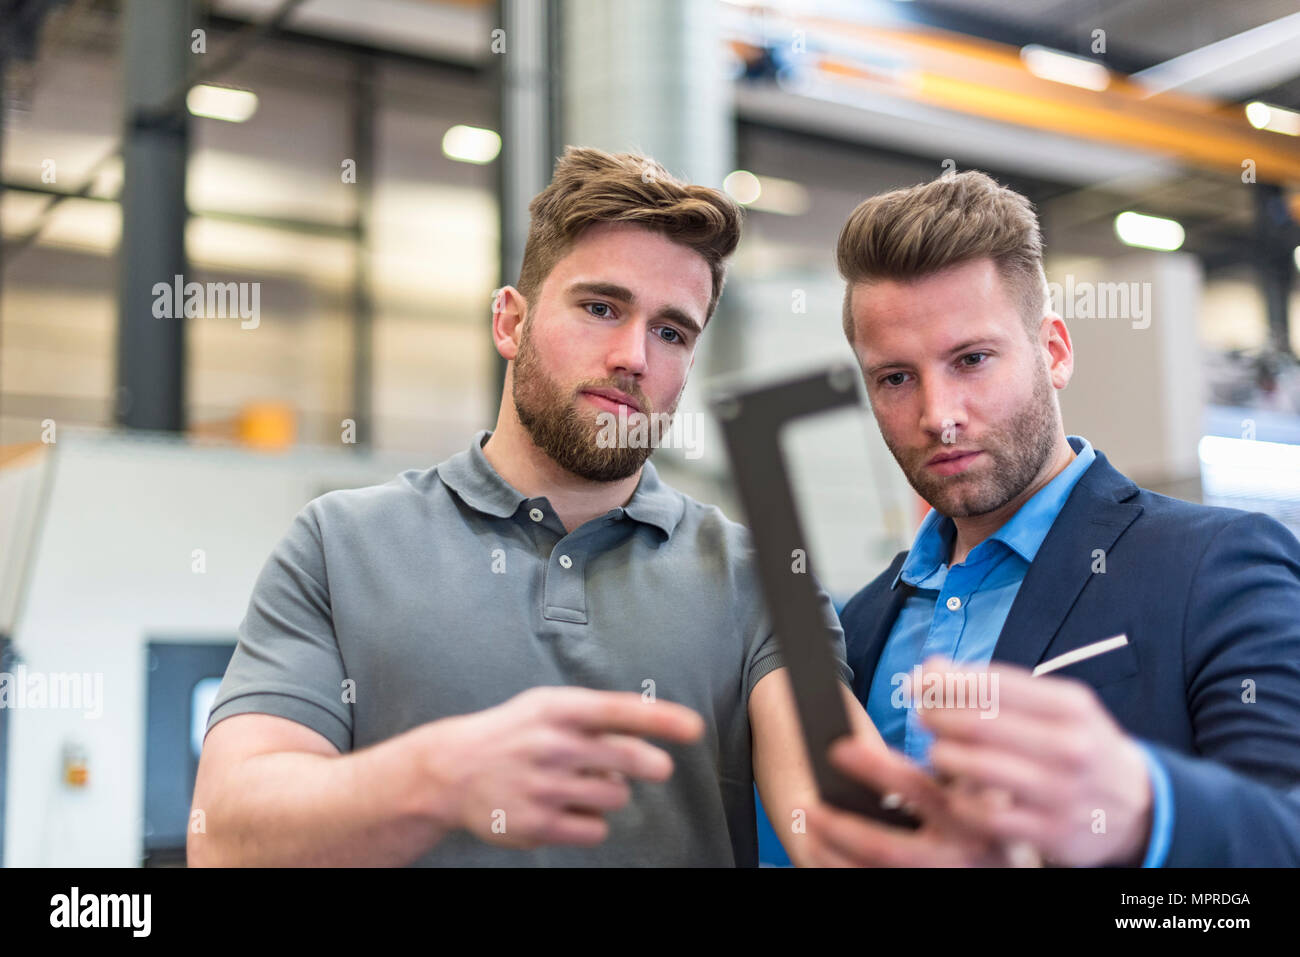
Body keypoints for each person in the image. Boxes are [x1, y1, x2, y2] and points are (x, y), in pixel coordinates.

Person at [189, 146, 869, 867]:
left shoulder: (758, 579)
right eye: (601, 306)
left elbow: (843, 819)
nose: (634, 355)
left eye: (671, 332)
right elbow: (226, 838)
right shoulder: (341, 544)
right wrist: (433, 779)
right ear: (510, 323)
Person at [803, 170, 1300, 867]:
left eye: (972, 359)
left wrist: (1149, 812)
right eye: (895, 378)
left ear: (1055, 351)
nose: (938, 415)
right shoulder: (860, 626)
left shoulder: (1215, 567)